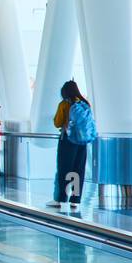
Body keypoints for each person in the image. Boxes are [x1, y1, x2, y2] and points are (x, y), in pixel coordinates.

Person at [48, 80, 96, 210]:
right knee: (78, 169)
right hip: (82, 142)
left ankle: (60, 199)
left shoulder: (64, 104)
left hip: (68, 141)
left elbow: (57, 123)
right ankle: (75, 200)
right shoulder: (85, 104)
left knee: (64, 169)